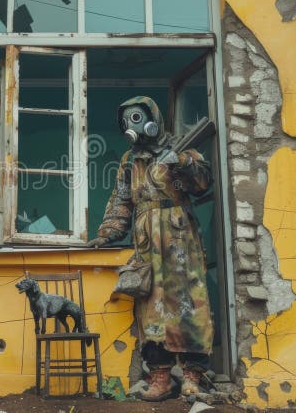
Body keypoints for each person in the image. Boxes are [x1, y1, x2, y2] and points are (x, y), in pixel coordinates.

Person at [88, 96, 214, 401]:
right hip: (146, 242)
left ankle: (192, 378)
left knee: (189, 305)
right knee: (151, 310)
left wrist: (182, 163)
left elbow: (203, 183)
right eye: (126, 120)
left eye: (137, 117)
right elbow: (121, 201)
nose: (133, 125)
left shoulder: (183, 147)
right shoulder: (130, 161)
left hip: (179, 237)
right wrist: (107, 234)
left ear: (151, 117)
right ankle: (160, 377)